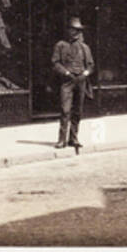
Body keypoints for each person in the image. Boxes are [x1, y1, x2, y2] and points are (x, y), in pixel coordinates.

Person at [52, 15, 95, 154]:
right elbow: (55, 63)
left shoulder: (85, 47)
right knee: (65, 110)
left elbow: (91, 66)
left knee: (78, 110)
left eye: (76, 30)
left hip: (80, 81)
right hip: (67, 81)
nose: (74, 32)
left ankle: (74, 138)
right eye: (72, 29)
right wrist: (66, 73)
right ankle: (61, 139)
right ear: (68, 30)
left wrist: (85, 74)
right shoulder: (60, 45)